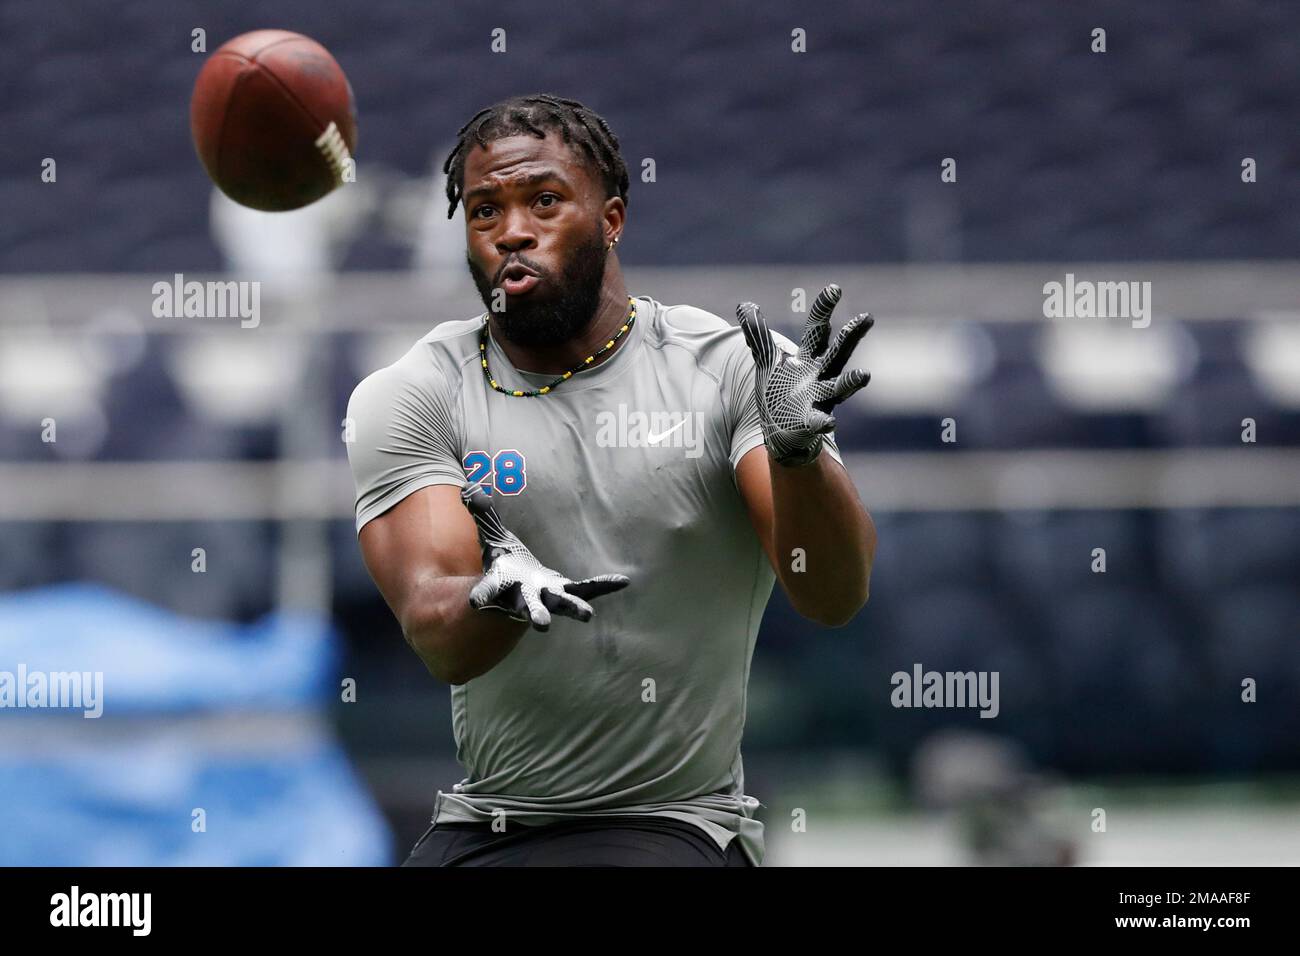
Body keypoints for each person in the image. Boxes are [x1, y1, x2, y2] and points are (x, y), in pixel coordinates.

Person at [345, 93, 877, 866]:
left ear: (613, 219)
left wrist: (798, 461)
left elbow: (832, 595)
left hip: (678, 821)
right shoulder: (414, 393)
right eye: (486, 211)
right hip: (491, 819)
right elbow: (440, 636)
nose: (513, 231)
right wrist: (491, 595)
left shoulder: (731, 371)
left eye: (546, 201)